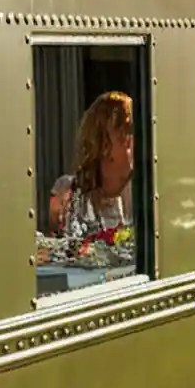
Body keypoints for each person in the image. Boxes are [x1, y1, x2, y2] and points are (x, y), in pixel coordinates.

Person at [38, 91, 135, 266]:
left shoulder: (148, 193)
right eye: (125, 133)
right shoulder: (67, 193)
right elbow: (58, 257)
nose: (133, 141)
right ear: (101, 144)